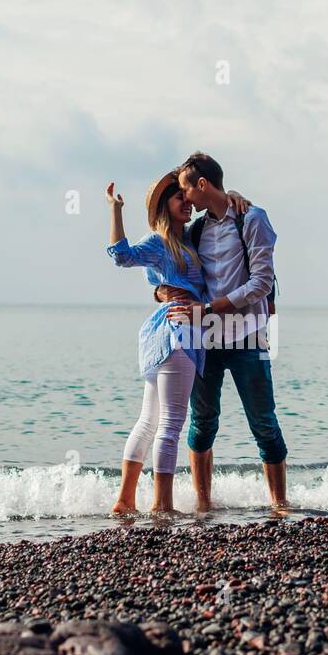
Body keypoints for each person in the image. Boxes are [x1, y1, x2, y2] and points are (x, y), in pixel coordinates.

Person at [155, 152, 288, 512]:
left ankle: (280, 502)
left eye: (186, 190)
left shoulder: (252, 218)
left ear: (202, 185)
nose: (185, 199)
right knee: (202, 423)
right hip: (205, 338)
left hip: (251, 334)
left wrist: (211, 308)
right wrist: (162, 292)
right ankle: (203, 503)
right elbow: (173, 270)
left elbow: (260, 283)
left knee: (263, 421)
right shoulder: (196, 229)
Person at [104, 173, 205, 513]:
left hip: (163, 336)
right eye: (180, 198)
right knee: (171, 424)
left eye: (187, 197)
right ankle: (162, 505)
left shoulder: (186, 240)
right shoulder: (161, 242)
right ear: (165, 205)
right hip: (177, 334)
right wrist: (115, 210)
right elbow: (121, 256)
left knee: (148, 422)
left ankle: (124, 501)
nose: (187, 202)